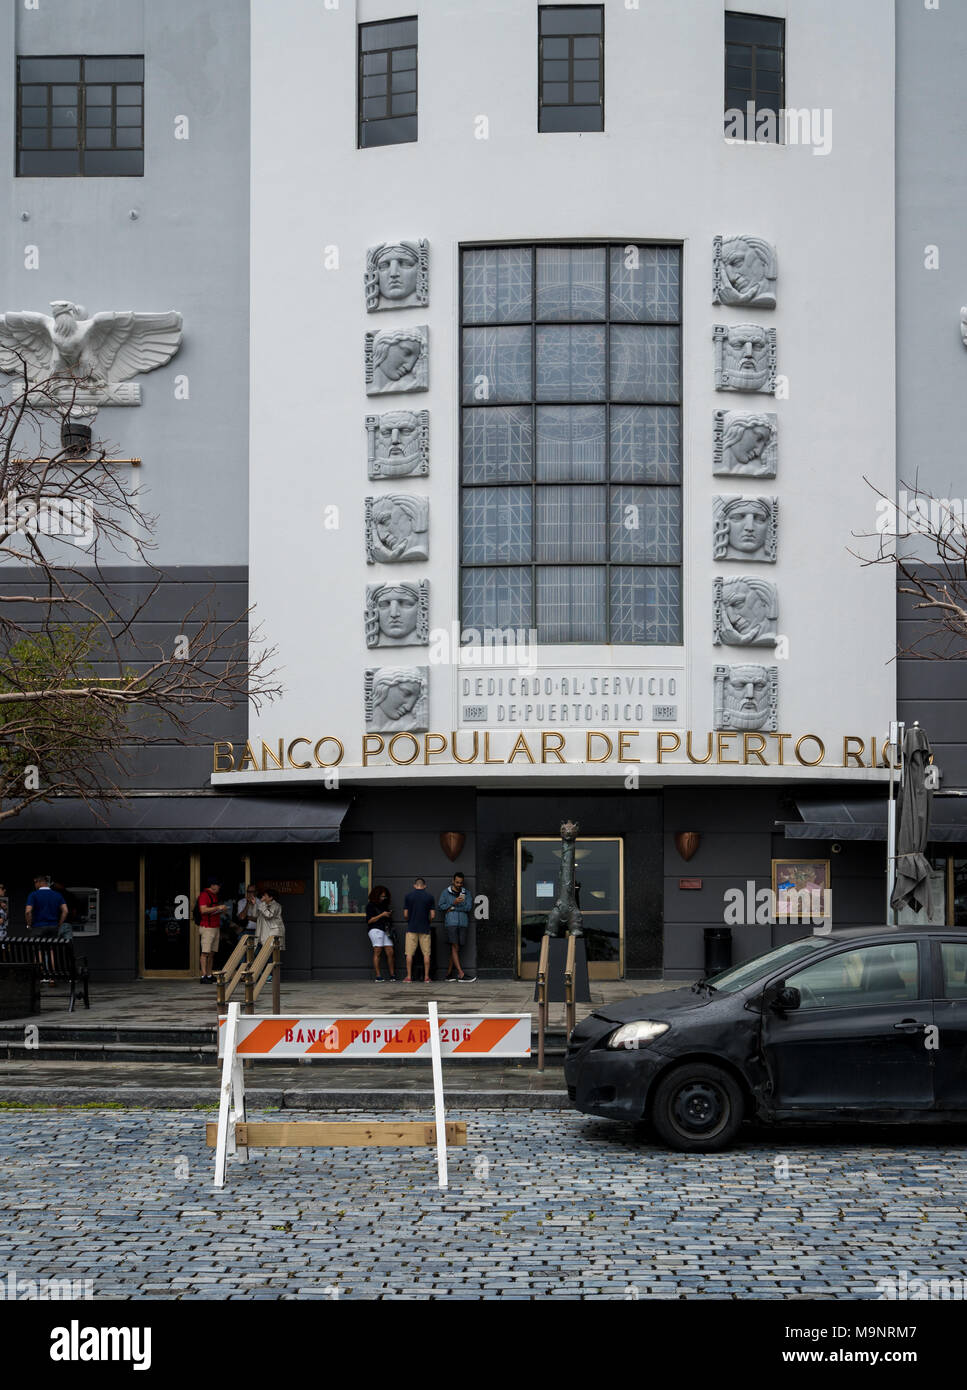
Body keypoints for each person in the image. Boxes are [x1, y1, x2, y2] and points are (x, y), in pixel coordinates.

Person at [437, 871, 475, 983]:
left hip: (463, 923)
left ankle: (448, 974)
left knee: (456, 948)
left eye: (461, 883)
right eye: (457, 882)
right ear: (453, 881)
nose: (459, 885)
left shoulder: (466, 893)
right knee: (454, 947)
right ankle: (461, 974)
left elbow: (468, 908)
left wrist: (453, 908)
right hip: (451, 923)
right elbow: (441, 906)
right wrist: (453, 902)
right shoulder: (445, 892)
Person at [402, 875, 435, 984]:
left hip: (411, 928)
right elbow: (433, 915)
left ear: (415, 885)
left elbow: (405, 914)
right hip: (425, 928)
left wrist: (410, 920)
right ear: (424, 886)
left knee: (409, 954)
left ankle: (408, 977)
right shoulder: (430, 897)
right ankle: (426, 977)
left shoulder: (408, 896)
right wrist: (428, 921)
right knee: (426, 954)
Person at [197, 878, 229, 984]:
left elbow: (212, 910)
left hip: (215, 926)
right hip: (207, 927)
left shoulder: (214, 895)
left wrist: (220, 910)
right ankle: (203, 975)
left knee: (212, 953)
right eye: (218, 885)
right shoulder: (204, 895)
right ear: (213, 885)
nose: (219, 888)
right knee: (205, 952)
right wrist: (218, 907)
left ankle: (210, 975)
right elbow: (203, 909)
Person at [366, 884, 396, 982]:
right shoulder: (370, 905)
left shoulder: (384, 905)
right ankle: (378, 976)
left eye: (385, 896)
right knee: (377, 951)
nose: (383, 898)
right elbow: (369, 920)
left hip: (385, 930)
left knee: (390, 951)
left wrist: (388, 914)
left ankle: (392, 975)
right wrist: (382, 915)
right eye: (382, 896)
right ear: (376, 895)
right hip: (375, 929)